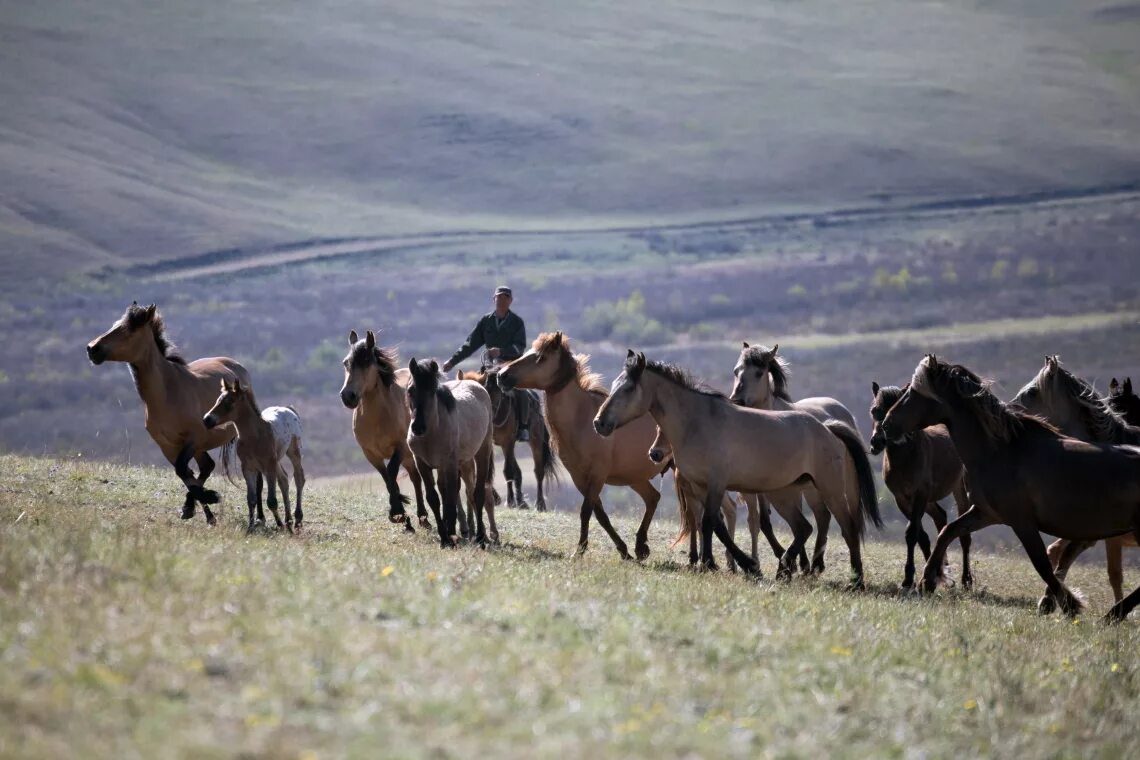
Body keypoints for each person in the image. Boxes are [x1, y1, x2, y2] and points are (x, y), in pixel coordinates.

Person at [442, 286, 531, 441]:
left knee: (521, 392)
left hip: (510, 366)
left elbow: (520, 346)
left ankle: (523, 427)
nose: (501, 301)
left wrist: (502, 351)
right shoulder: (485, 322)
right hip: (489, 368)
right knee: (473, 390)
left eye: (505, 298)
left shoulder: (517, 322)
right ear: (494, 299)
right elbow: (470, 344)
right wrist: (452, 361)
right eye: (499, 298)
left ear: (510, 301)